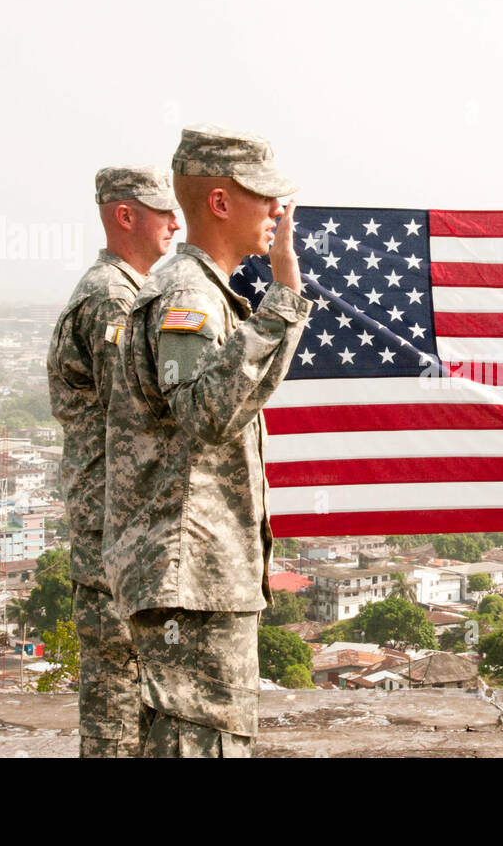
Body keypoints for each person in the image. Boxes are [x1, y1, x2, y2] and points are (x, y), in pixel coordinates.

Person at [103, 125, 311, 757]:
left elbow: (236, 396)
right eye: (265, 196)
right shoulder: (188, 294)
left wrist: (284, 295)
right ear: (220, 202)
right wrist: (281, 304)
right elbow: (203, 413)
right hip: (187, 574)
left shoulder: (200, 289)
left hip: (195, 573)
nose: (278, 210)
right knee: (204, 744)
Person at [46, 166, 179, 757]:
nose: (177, 222)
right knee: (115, 689)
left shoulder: (122, 288)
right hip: (113, 519)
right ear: (126, 216)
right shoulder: (112, 296)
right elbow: (138, 406)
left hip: (118, 515)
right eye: (163, 211)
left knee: (133, 683)